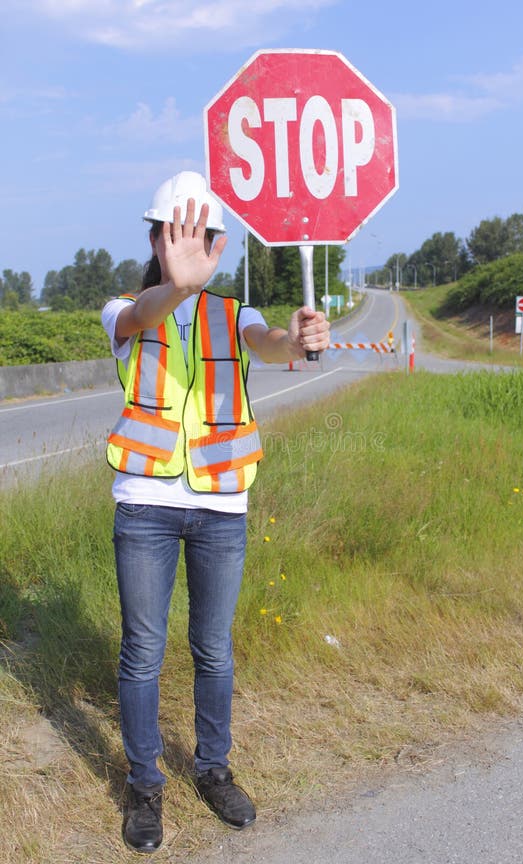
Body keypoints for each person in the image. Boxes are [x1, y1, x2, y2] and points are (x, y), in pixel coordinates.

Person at [101, 171, 330, 854]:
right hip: (145, 504)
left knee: (214, 649)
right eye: (176, 234)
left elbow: (271, 346)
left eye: (202, 237)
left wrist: (301, 342)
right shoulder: (122, 310)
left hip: (223, 505)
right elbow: (141, 317)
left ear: (217, 243)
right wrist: (176, 285)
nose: (190, 246)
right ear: (157, 239)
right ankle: (145, 785)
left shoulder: (238, 314)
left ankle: (213, 769)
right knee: (144, 652)